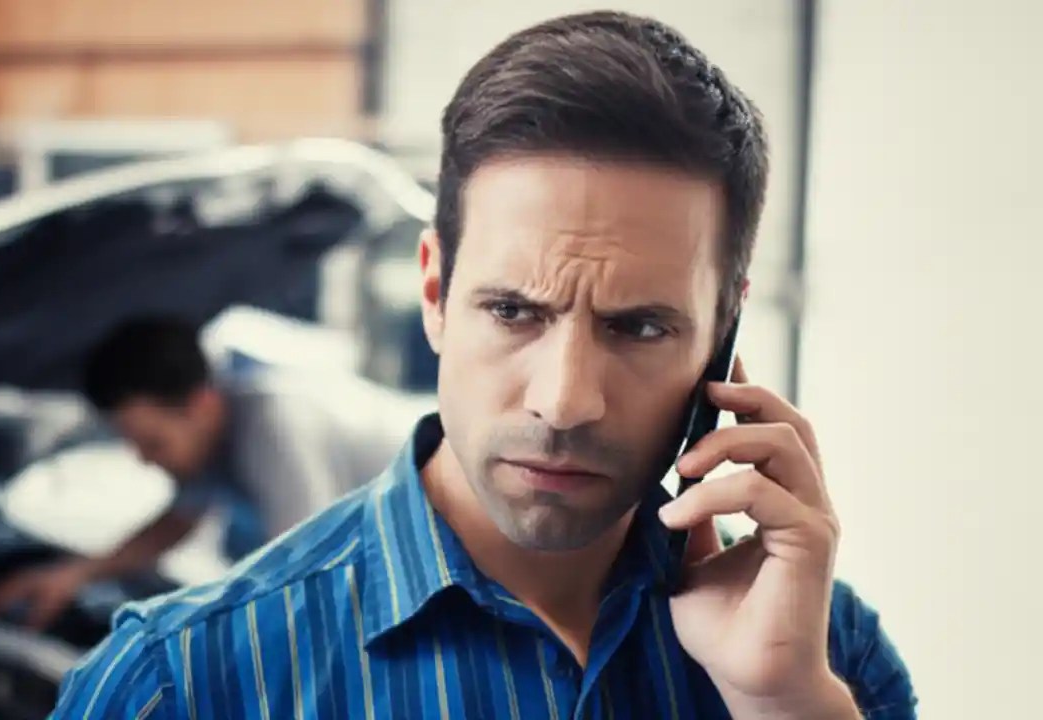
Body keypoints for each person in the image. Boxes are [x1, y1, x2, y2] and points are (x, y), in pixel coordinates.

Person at [49, 11, 916, 719]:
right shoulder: (178, 687)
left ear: (722, 336)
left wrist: (781, 704)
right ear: (435, 293)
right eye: (512, 311)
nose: (565, 401)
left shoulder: (828, 661)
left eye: (641, 327)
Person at [0, 313, 420, 630]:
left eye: (153, 442)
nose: (145, 459)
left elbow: (303, 571)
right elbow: (175, 523)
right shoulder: (214, 435)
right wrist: (71, 576)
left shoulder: (275, 422)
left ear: (202, 404)